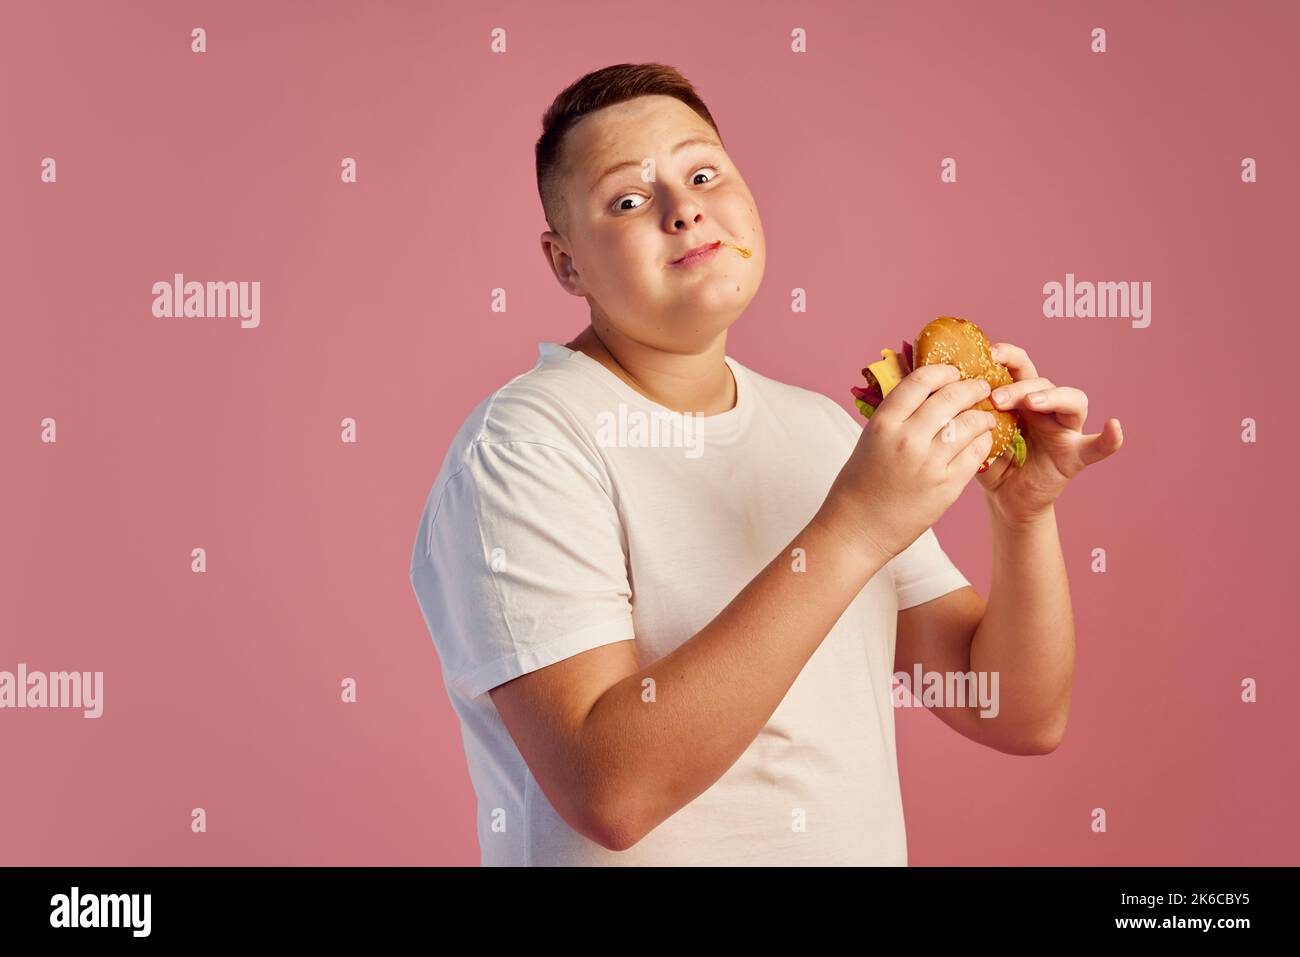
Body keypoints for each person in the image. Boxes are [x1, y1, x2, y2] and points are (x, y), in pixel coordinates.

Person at [408, 63, 1124, 866]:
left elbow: (1014, 711)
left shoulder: (821, 433)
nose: (686, 210)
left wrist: (1023, 516)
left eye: (704, 172)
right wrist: (855, 527)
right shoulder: (525, 449)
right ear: (565, 261)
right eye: (630, 201)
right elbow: (610, 791)